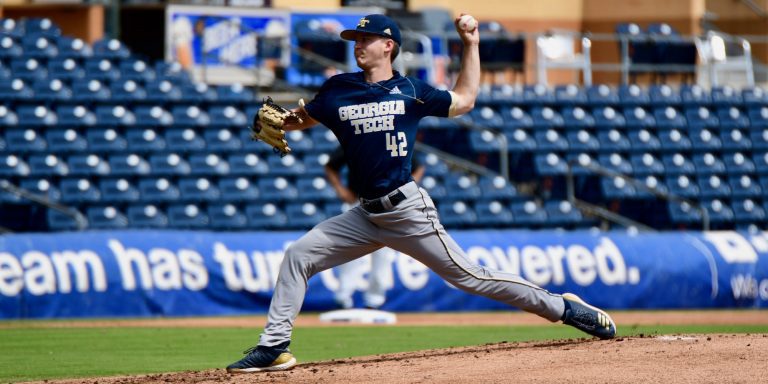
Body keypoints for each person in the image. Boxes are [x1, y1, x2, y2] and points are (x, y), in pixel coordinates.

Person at [227, 13, 616, 374]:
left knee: (472, 278)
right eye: (355, 39)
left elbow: (464, 101)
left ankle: (564, 308)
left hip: (407, 212)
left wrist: (471, 44)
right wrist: (282, 121)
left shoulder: (410, 89)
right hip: (365, 216)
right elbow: (303, 118)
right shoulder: (337, 89)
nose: (358, 45)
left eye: (366, 38)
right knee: (299, 255)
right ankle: (275, 345)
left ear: (388, 46)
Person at [325, 145, 425, 309]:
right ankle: (344, 298)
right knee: (348, 249)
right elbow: (330, 166)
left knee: (383, 252)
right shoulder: (356, 135)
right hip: (358, 201)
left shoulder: (392, 138)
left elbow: (418, 167)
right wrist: (340, 189)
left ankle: (374, 301)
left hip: (388, 203)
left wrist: (405, 191)